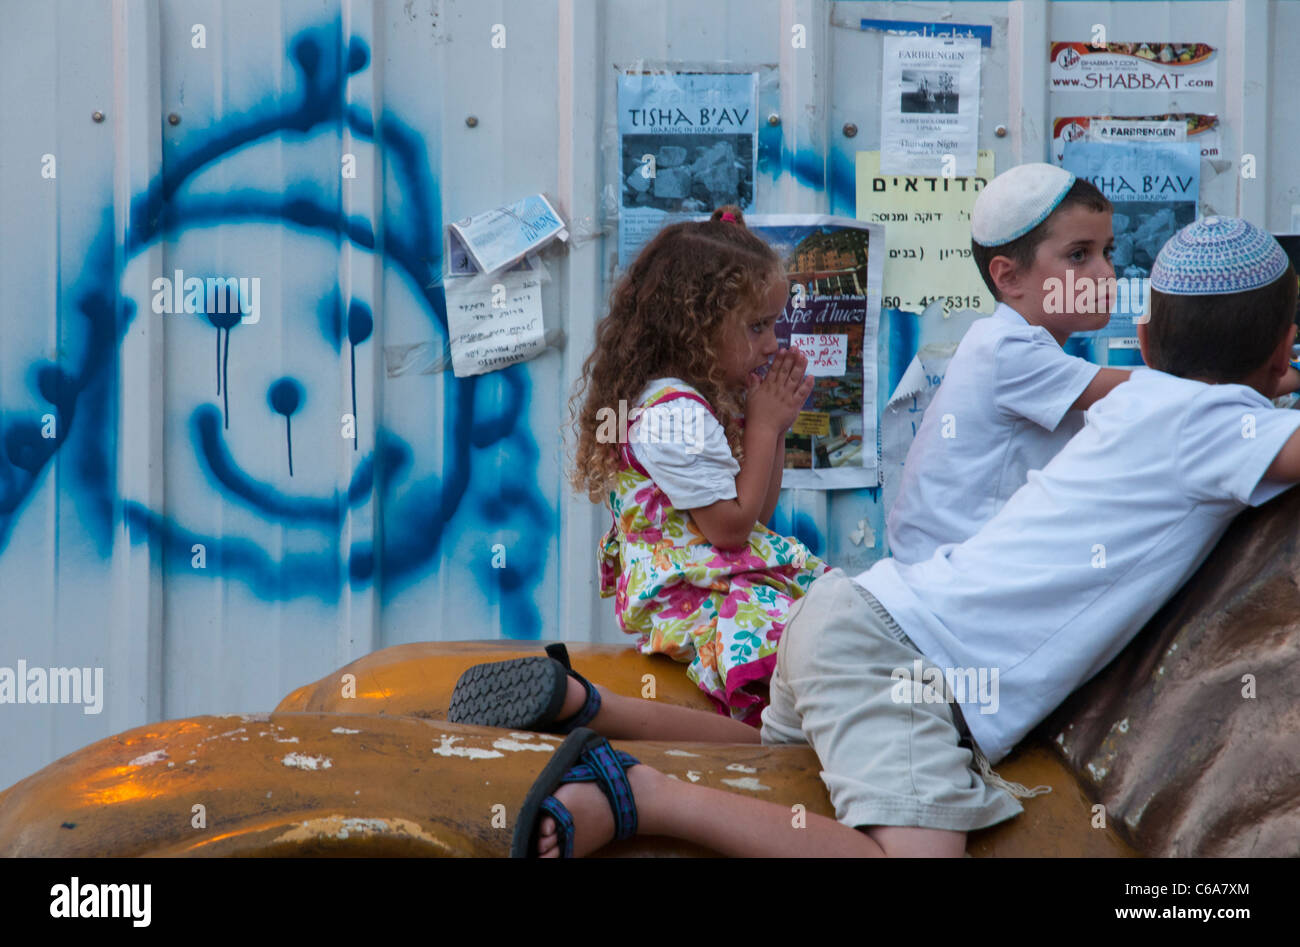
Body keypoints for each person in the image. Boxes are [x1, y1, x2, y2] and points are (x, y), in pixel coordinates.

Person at [511, 216, 1300, 858]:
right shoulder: (1219, 427)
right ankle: (644, 793)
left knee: (768, 754)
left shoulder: (1138, 401)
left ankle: (591, 708)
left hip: (859, 617)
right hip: (903, 656)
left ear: (1149, 345)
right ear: (1281, 354)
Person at [448, 206, 830, 742]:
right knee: (797, 684)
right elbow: (730, 529)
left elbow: (755, 520)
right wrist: (765, 429)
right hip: (695, 597)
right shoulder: (675, 414)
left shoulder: (694, 401)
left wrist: (774, 425)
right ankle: (593, 713)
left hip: (714, 577)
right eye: (756, 326)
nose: (771, 343)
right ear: (696, 327)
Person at [888, 163, 1132, 564]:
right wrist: (1260, 378)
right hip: (955, 580)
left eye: (1108, 252)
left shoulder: (1016, 343)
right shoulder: (1007, 349)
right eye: (1079, 255)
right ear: (1009, 277)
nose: (1106, 273)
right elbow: (1146, 392)